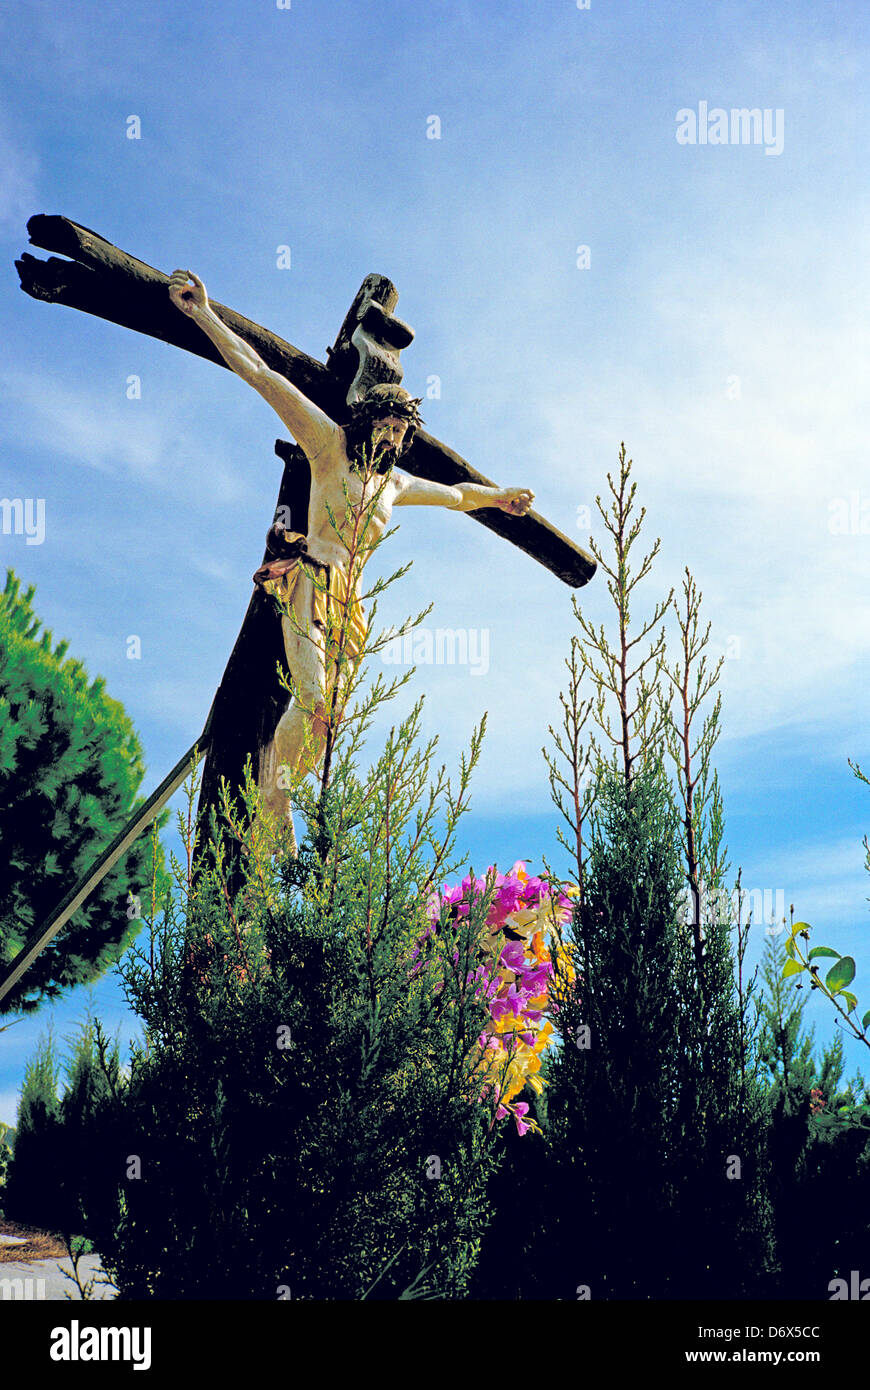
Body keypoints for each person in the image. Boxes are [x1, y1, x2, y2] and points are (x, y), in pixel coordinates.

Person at [168, 270, 534, 836]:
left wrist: (501, 496)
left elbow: (460, 496)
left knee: (330, 718)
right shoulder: (328, 448)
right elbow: (260, 374)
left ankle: (279, 788)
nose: (389, 439)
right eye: (384, 426)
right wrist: (203, 314)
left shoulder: (393, 485)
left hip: (351, 602)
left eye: (399, 432)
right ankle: (274, 798)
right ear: (366, 420)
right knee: (313, 697)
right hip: (310, 578)